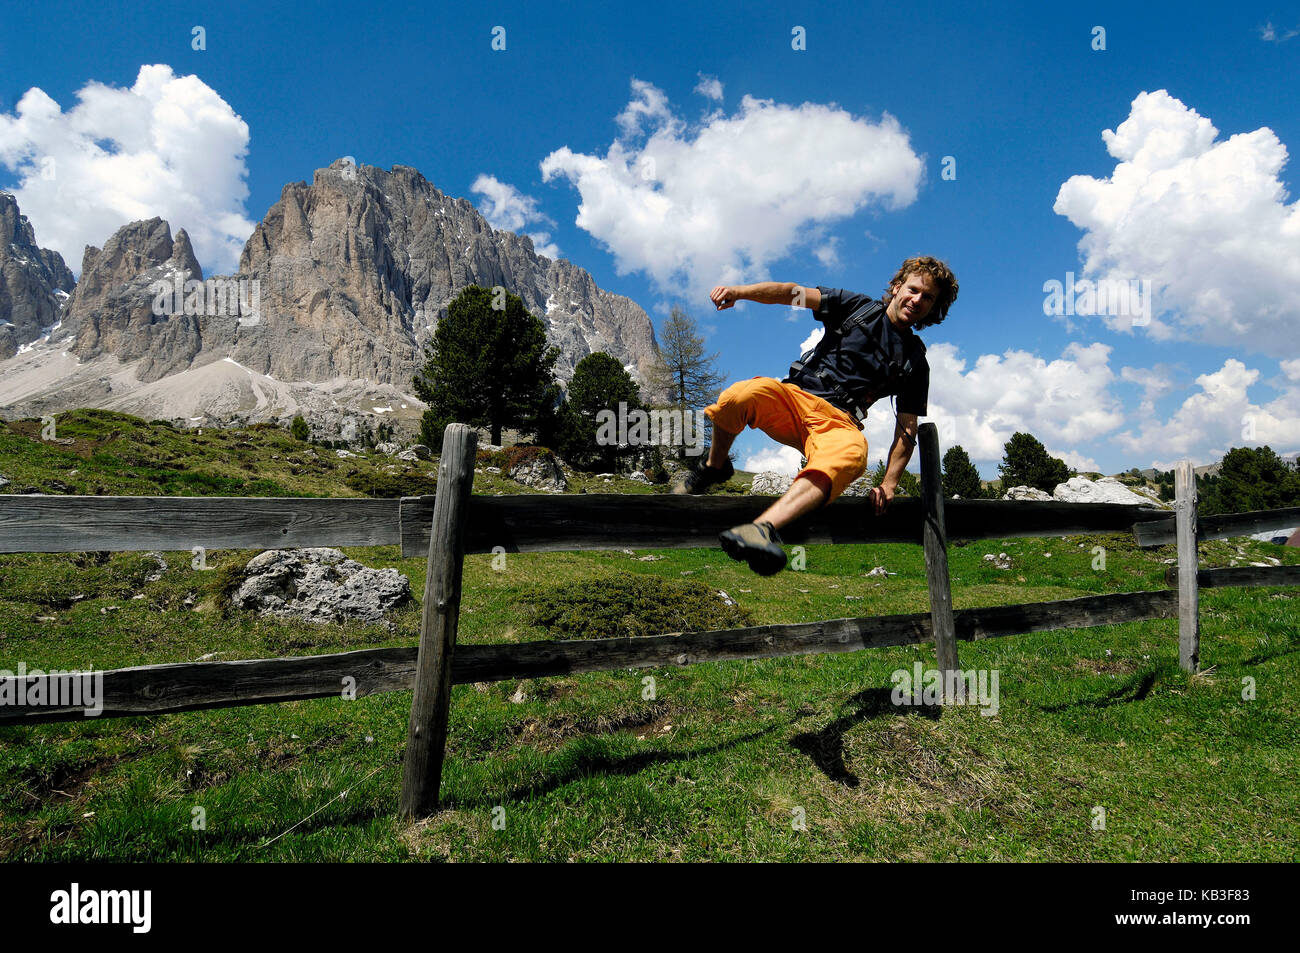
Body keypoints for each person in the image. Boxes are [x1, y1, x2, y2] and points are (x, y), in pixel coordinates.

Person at [672, 256, 958, 575]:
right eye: (913, 289)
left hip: (839, 422)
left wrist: (889, 483)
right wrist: (739, 292)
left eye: (928, 297)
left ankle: (761, 530)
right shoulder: (855, 306)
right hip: (794, 398)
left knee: (852, 453)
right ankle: (714, 466)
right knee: (741, 395)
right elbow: (791, 293)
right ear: (896, 286)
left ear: (934, 307)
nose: (917, 300)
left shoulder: (915, 362)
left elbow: (907, 429)